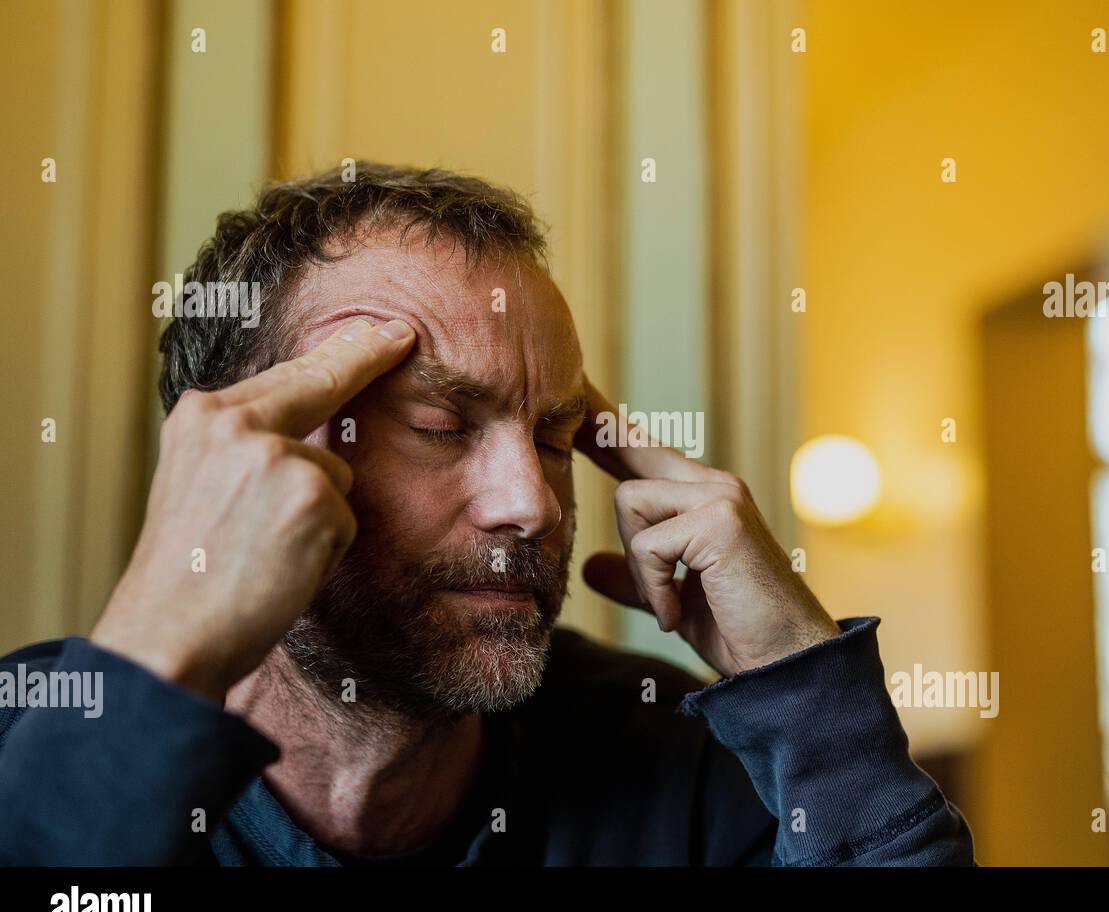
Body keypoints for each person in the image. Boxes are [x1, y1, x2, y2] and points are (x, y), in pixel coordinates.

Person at [0, 164, 974, 866]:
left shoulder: (686, 775)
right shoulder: (27, 737)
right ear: (231, 459)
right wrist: (157, 649)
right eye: (437, 421)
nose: (534, 503)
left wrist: (799, 686)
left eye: (553, 435)